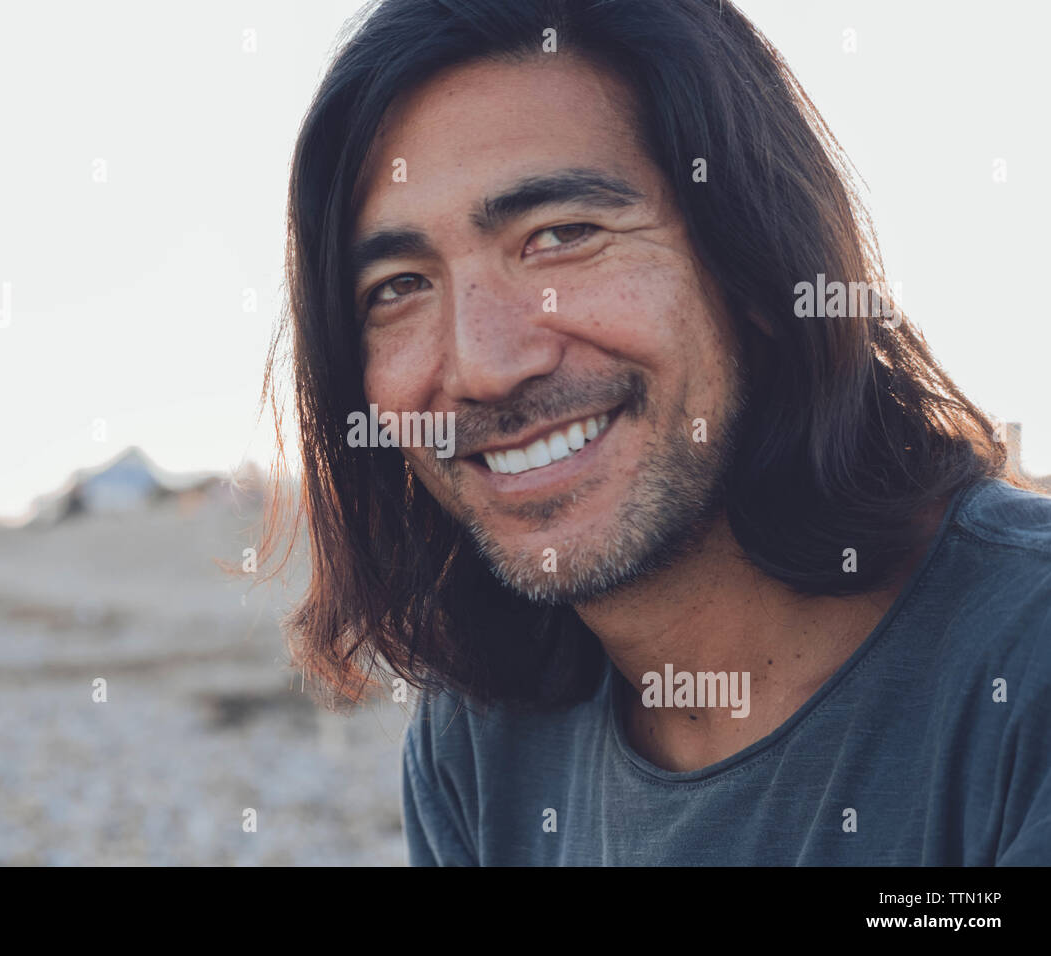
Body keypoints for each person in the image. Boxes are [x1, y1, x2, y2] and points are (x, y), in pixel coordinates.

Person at [261, 0, 1051, 865]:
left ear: (755, 257)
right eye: (399, 285)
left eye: (562, 236)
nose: (484, 365)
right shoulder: (483, 743)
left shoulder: (1022, 665)